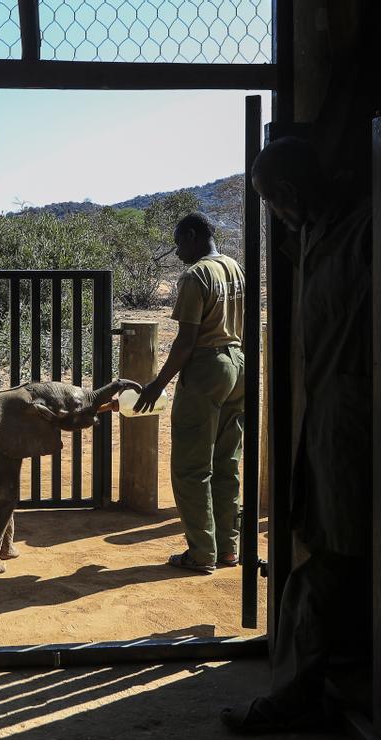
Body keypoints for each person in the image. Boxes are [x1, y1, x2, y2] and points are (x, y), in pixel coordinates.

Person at [222, 137, 372, 733]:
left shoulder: (358, 234)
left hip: (352, 421)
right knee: (325, 543)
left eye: (273, 204)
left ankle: (295, 696)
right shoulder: (322, 234)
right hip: (334, 419)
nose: (278, 219)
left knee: (322, 567)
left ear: (287, 194)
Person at [133, 211, 247, 573]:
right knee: (226, 461)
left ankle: (201, 553)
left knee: (190, 467)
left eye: (180, 242)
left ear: (195, 236)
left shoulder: (196, 274)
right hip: (238, 365)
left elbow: (185, 341)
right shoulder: (234, 267)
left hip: (207, 368)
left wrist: (157, 383)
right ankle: (229, 548)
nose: (179, 251)